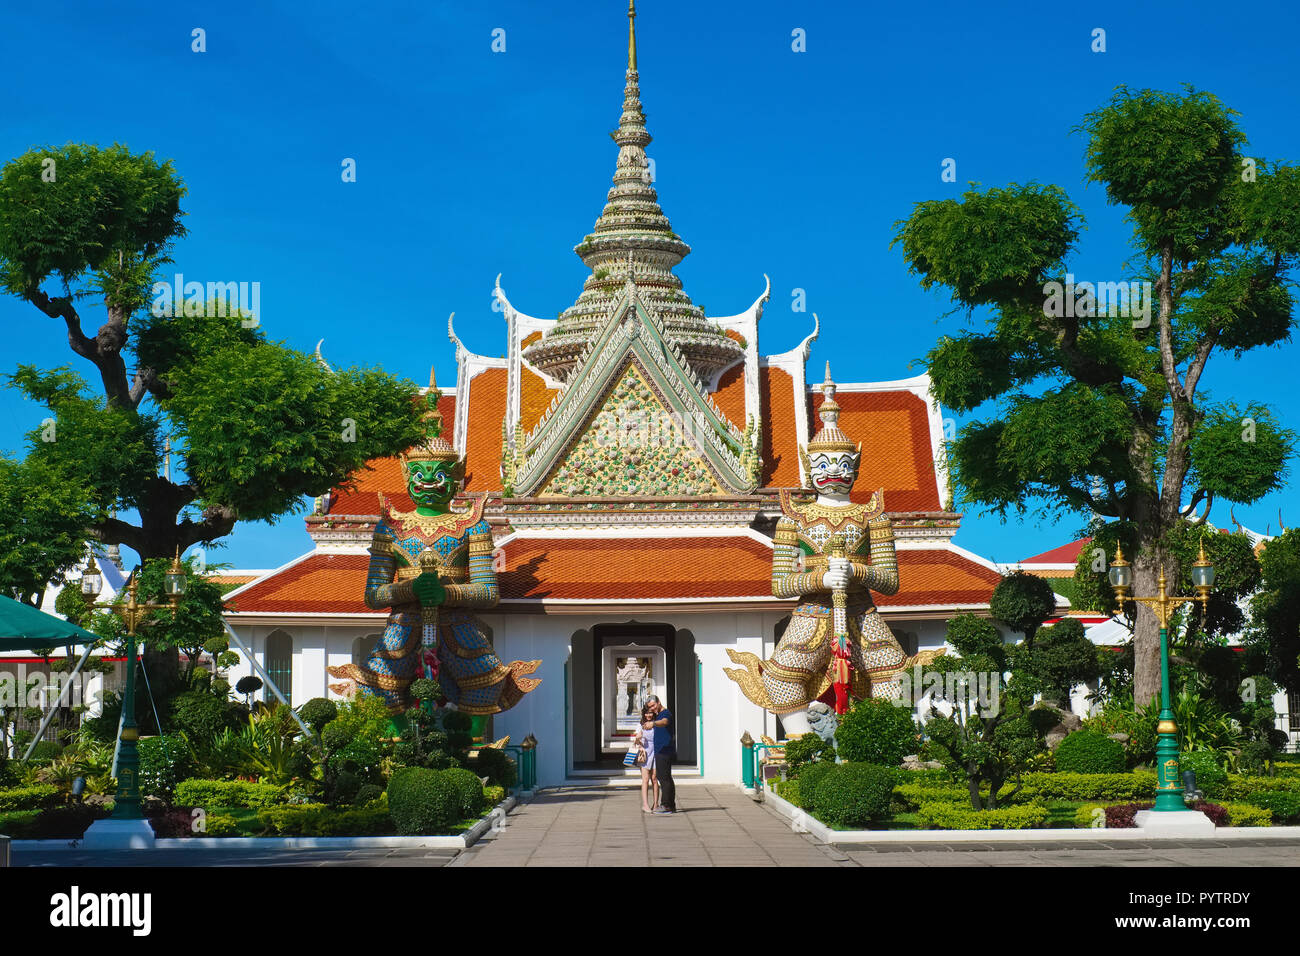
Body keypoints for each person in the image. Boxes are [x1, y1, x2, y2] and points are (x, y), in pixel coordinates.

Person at [642, 695, 675, 814]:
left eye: (653, 706)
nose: (652, 709)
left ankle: (666, 805)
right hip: (659, 750)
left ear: (659, 702)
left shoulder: (665, 714)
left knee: (663, 778)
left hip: (664, 750)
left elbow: (664, 722)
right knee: (666, 778)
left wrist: (654, 724)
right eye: (650, 707)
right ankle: (671, 804)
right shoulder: (658, 715)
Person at [634, 702, 659, 813]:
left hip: (656, 752)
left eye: (650, 713)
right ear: (644, 714)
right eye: (646, 713)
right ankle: (645, 804)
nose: (648, 715)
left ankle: (656, 803)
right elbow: (636, 740)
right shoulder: (640, 725)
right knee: (645, 779)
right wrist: (639, 741)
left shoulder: (656, 724)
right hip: (645, 754)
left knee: (654, 778)